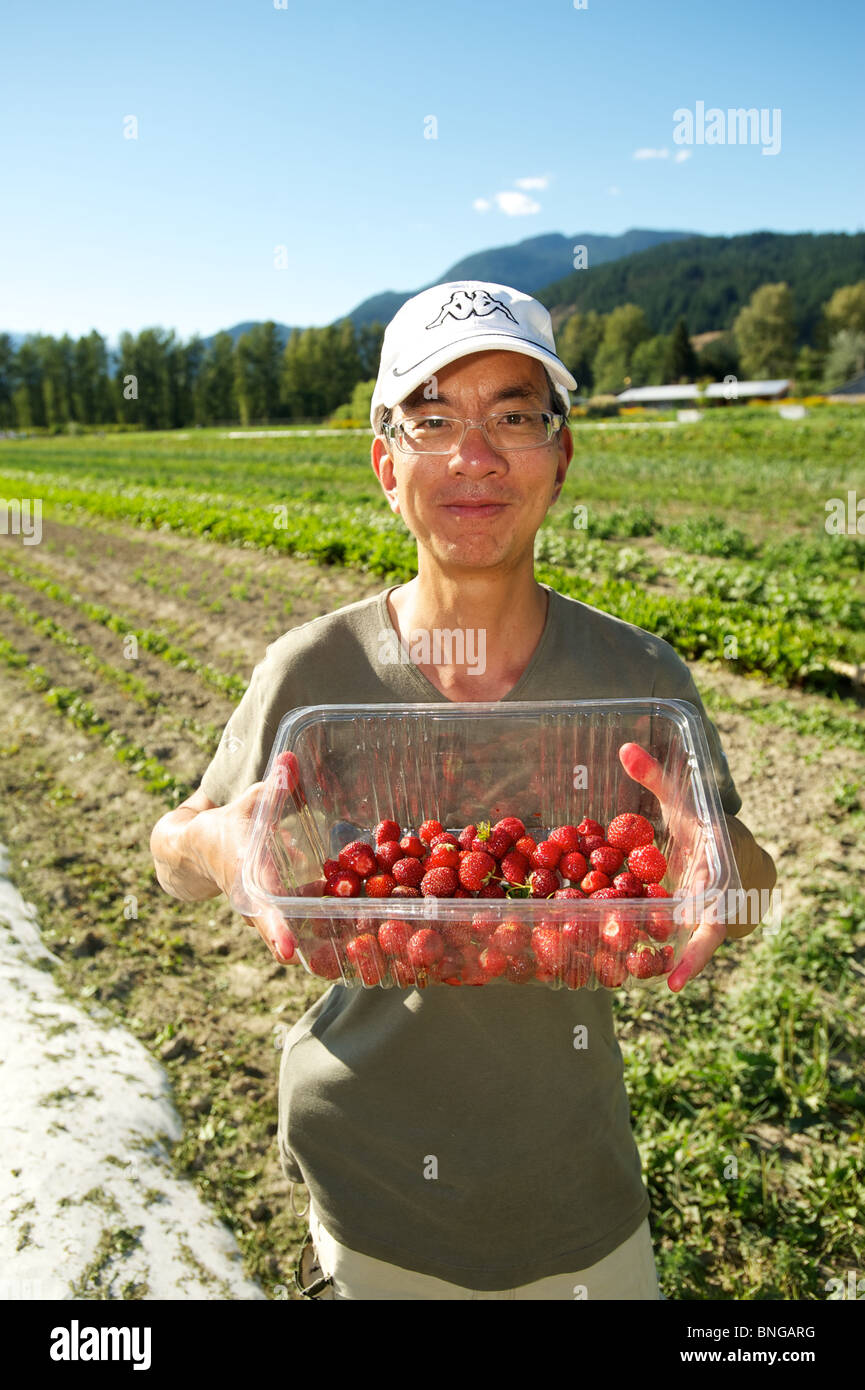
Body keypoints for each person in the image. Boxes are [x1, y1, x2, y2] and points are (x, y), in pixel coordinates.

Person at [149, 280, 777, 1300]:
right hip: (369, 1183)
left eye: (514, 417)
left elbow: (748, 888)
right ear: (385, 465)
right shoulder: (311, 670)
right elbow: (172, 850)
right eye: (432, 419)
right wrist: (217, 845)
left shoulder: (642, 679)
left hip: (574, 1189)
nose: (472, 454)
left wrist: (722, 867)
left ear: (561, 456)